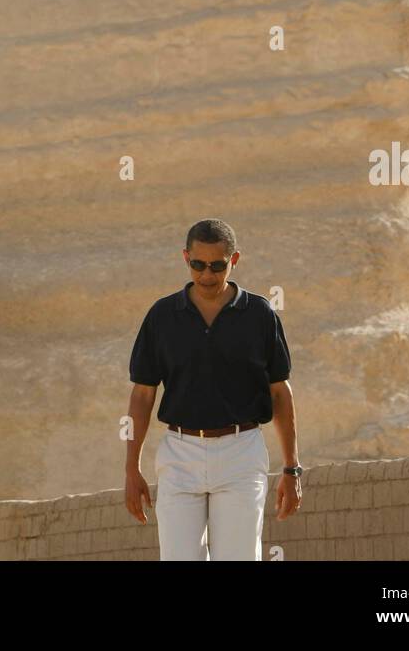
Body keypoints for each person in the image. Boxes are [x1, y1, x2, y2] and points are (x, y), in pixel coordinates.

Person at [124, 218, 301, 560]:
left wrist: (292, 469)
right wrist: (132, 468)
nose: (206, 275)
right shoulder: (162, 316)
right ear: (185, 258)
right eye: (198, 265)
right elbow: (142, 395)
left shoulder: (260, 314)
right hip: (179, 455)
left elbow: (280, 392)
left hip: (241, 453)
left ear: (233, 261)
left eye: (217, 266)